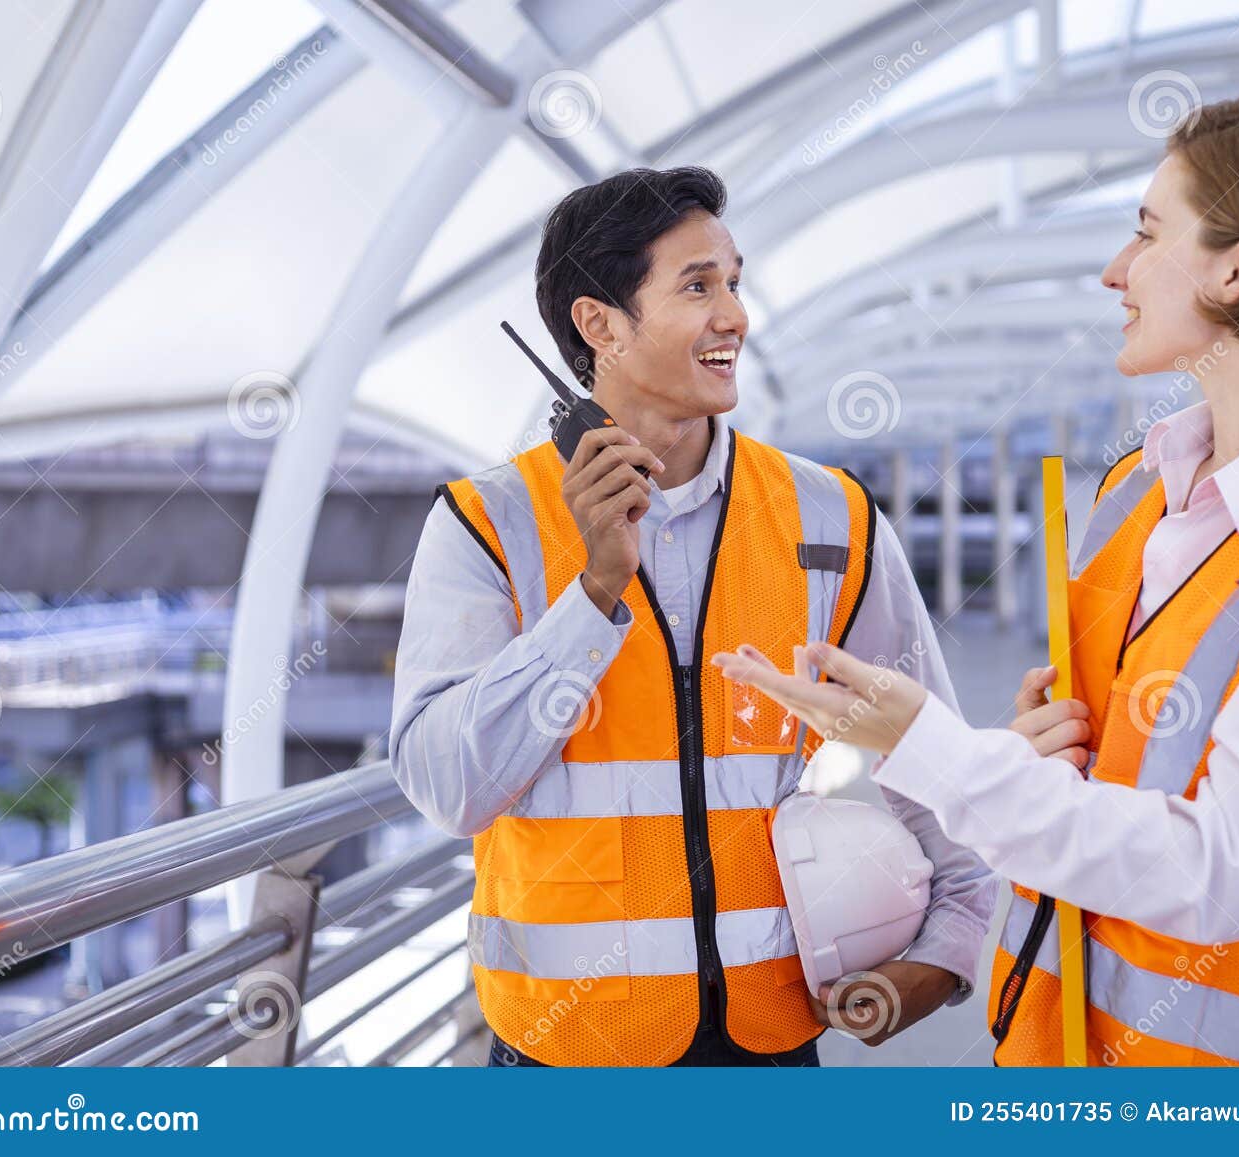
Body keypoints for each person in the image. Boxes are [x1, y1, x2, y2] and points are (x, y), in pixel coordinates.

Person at [713, 94, 1239, 1067]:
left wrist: (927, 746)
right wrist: (1030, 756)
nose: (1114, 269)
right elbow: (1116, 782)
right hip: (1052, 1056)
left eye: (1147, 232)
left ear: (1236, 267)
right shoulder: (1136, 498)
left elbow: (1222, 872)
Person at [389, 166, 994, 1067]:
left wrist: (944, 958)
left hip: (774, 1045)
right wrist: (592, 594)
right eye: (698, 286)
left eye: (735, 282)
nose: (737, 317)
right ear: (601, 325)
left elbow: (933, 753)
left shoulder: (830, 518)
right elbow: (450, 787)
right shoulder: (488, 523)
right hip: (563, 1056)